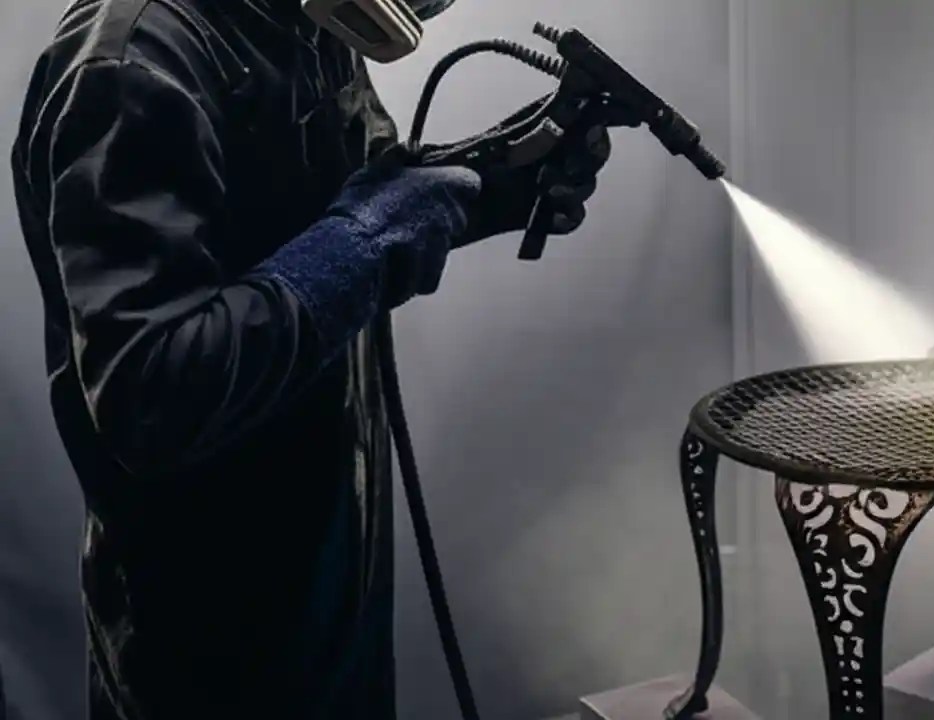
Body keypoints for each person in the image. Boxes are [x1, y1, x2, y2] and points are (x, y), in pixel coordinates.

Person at [9, 0, 612, 717]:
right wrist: (372, 241)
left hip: (327, 590)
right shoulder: (133, 63)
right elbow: (154, 393)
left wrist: (483, 191)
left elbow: (326, 227)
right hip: (207, 651)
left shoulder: (306, 23)